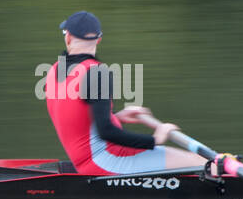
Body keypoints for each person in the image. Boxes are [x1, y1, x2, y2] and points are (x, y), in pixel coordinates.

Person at [45, 11, 209, 175]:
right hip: (106, 161)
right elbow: (106, 132)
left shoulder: (54, 71)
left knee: (195, 164)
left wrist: (116, 116)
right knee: (203, 163)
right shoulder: (96, 72)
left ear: (68, 38)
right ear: (99, 39)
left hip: (86, 162)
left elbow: (75, 115)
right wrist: (155, 139)